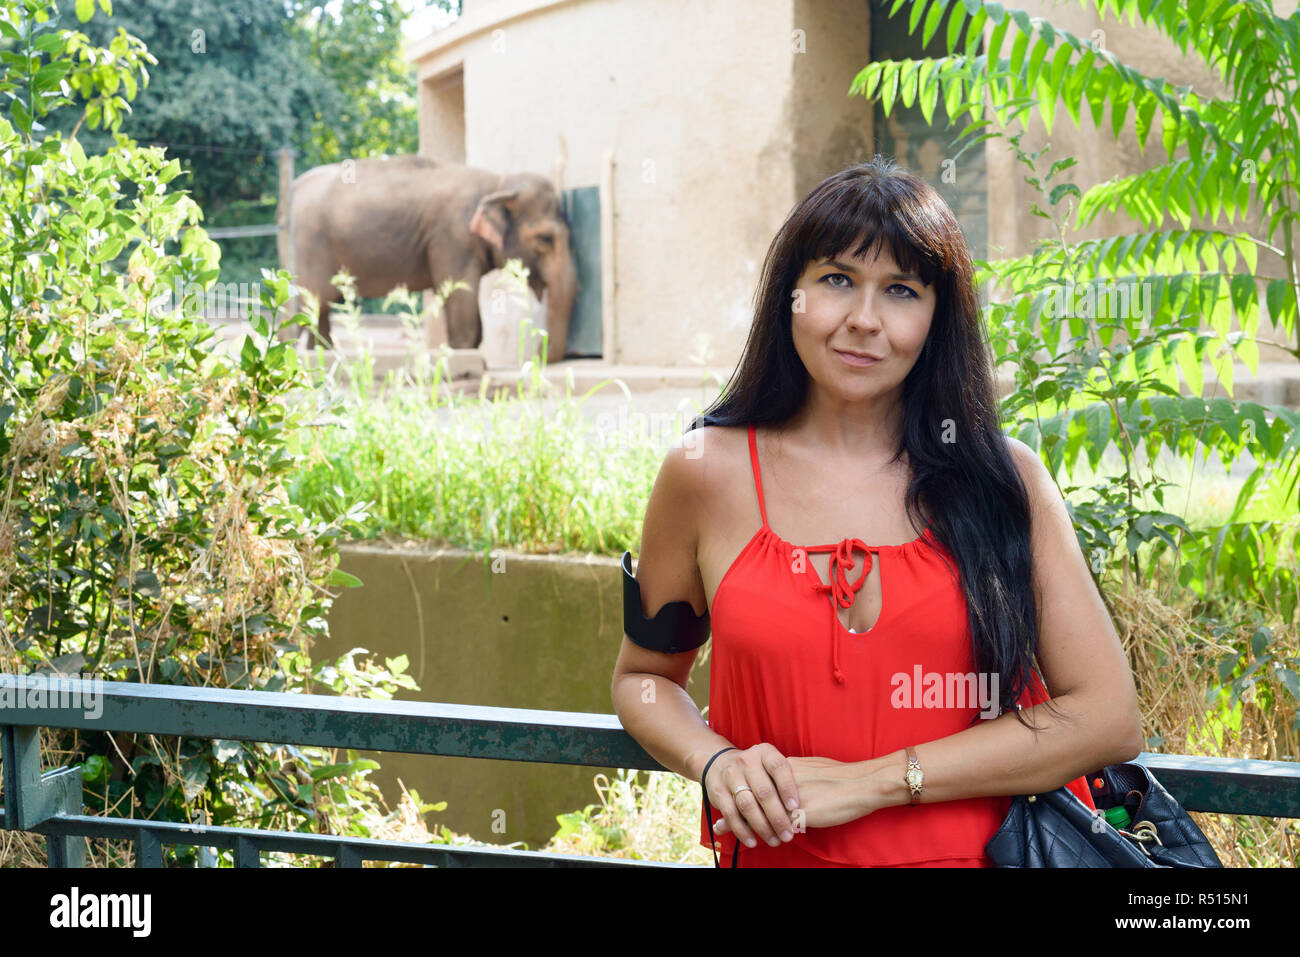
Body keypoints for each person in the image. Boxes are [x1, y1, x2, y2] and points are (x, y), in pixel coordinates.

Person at [609, 157, 1143, 867]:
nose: (864, 320)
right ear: (788, 296)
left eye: (900, 290)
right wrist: (715, 762)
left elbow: (1107, 717)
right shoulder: (703, 473)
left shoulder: (1002, 478)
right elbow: (644, 676)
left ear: (935, 316)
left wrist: (872, 783)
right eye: (836, 280)